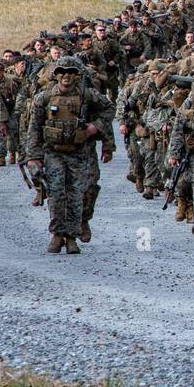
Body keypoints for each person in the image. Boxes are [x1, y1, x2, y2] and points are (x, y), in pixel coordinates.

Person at [25, 56, 115, 254]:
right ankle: (57, 235)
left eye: (71, 73)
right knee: (56, 194)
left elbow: (110, 108)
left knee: (76, 195)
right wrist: (33, 157)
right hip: (53, 152)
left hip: (79, 153)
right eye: (62, 72)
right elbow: (33, 129)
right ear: (55, 76)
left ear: (77, 76)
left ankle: (72, 236)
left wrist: (95, 127)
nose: (66, 77)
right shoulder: (44, 98)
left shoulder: (88, 95)